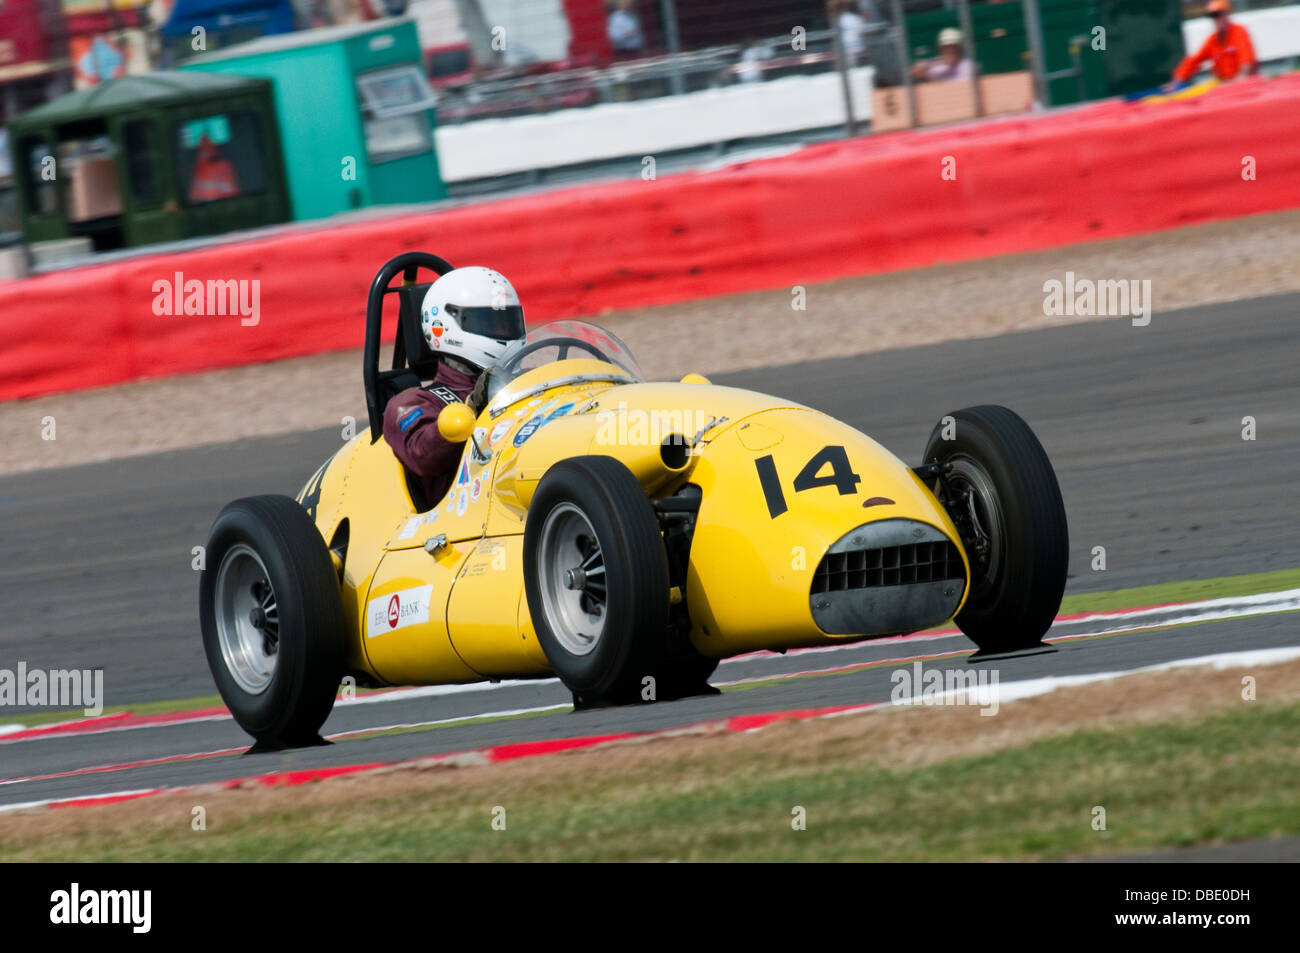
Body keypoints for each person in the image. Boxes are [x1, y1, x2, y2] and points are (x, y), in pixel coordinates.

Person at [383, 267, 526, 506]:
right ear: (445, 326)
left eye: (507, 323)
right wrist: (472, 410)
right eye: (490, 323)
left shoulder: (527, 381)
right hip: (464, 515)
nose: (503, 333)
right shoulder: (413, 404)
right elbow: (422, 454)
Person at [1171, 0, 1258, 85]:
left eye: (1219, 14)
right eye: (1213, 16)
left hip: (1245, 84)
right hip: (1224, 85)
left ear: (1227, 14)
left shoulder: (1239, 31)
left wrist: (1241, 77)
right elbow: (1194, 59)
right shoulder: (1212, 40)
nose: (1217, 19)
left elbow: (1246, 61)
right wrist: (1177, 81)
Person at [187, 134, 240, 203]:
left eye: (208, 145)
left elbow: (232, 192)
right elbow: (193, 196)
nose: (206, 150)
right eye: (204, 146)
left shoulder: (224, 166)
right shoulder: (198, 168)